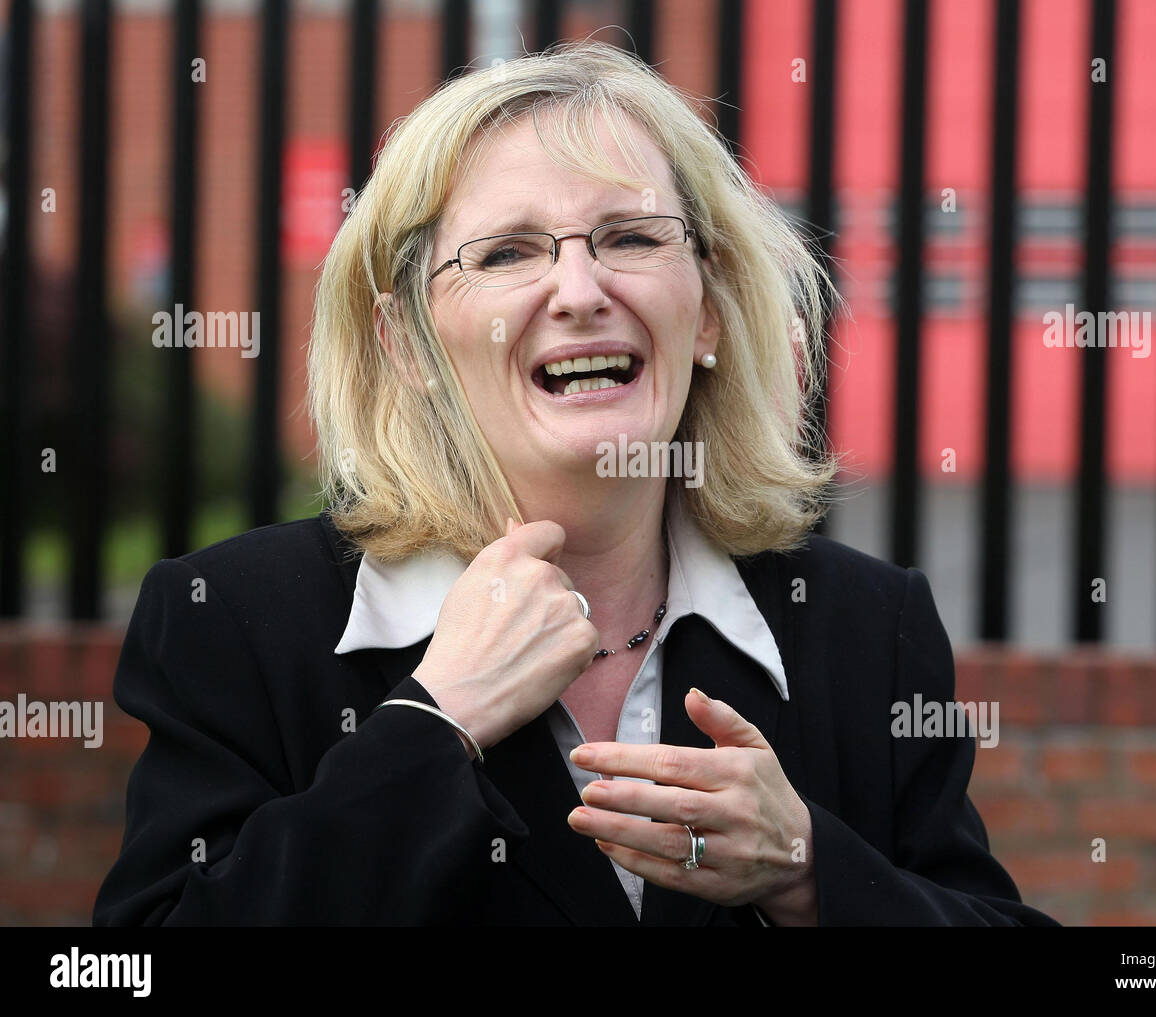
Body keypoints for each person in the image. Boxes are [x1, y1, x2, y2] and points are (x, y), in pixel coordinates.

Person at [93, 41, 1057, 927]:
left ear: (710, 311)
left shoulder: (861, 627)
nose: (582, 289)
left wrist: (809, 870)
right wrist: (434, 724)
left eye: (632, 238)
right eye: (508, 252)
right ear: (408, 344)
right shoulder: (238, 623)